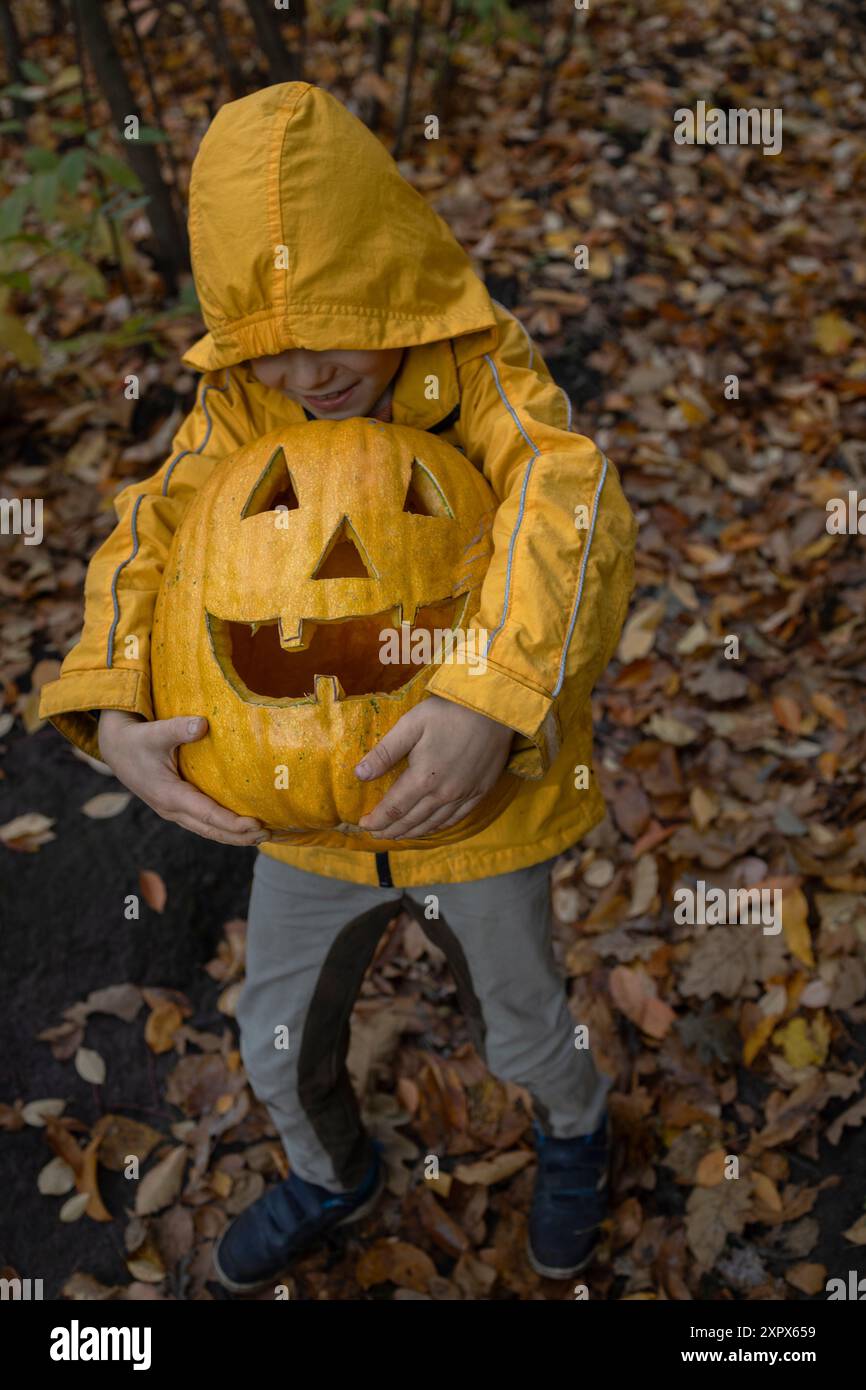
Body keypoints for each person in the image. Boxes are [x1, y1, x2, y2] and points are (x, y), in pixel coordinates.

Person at [39, 82, 638, 1294]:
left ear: (394, 283)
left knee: (523, 1016)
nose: (306, 373)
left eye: (333, 330)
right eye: (268, 345)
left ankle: (575, 1130)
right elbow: (153, 534)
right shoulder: (240, 399)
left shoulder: (481, 374)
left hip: (480, 803)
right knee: (272, 1032)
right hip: (297, 810)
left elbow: (562, 506)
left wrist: (487, 693)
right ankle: (331, 1170)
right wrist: (110, 703)